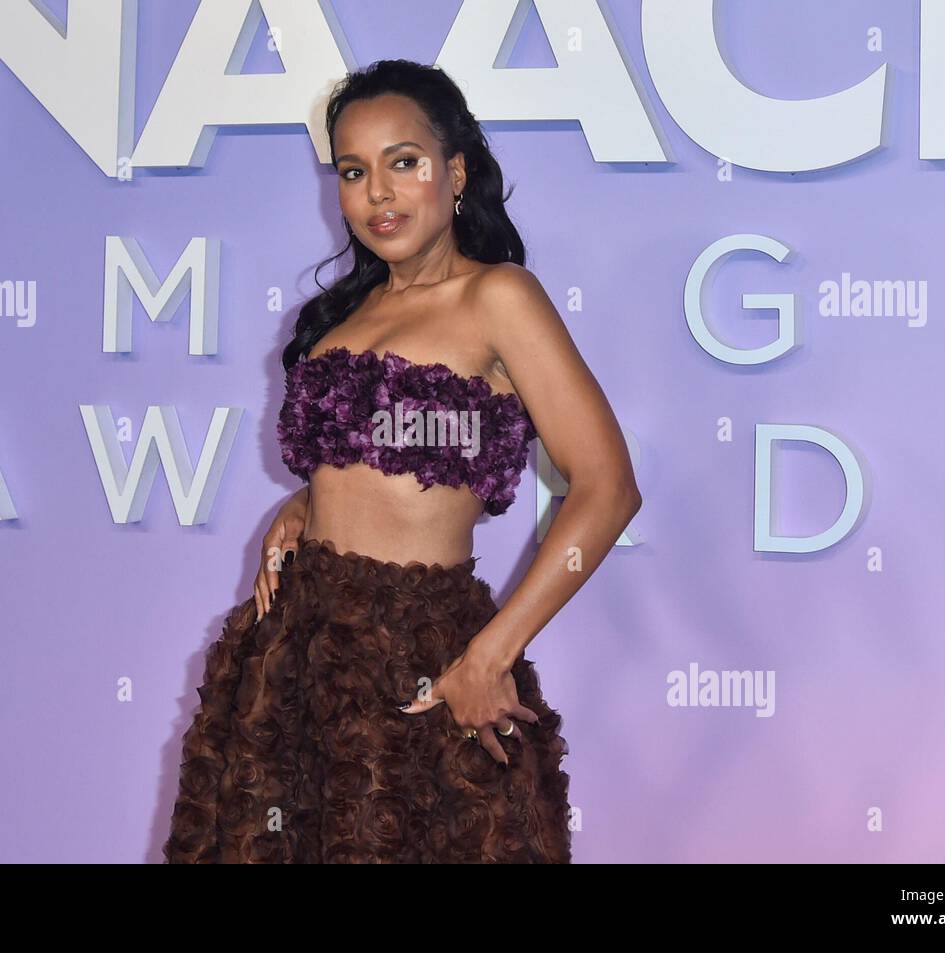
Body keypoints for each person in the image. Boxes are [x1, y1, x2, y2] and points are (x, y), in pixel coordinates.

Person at [163, 59, 641, 863]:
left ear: (455, 172)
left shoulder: (498, 296)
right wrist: (305, 506)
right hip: (294, 659)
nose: (378, 193)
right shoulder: (345, 316)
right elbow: (362, 463)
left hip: (421, 661)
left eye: (404, 162)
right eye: (355, 172)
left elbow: (609, 489)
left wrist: (491, 652)